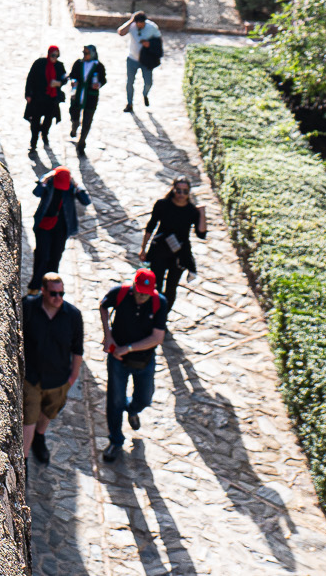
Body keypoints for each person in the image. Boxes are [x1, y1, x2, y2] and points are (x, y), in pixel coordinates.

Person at [99, 268, 168, 462]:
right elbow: (103, 306)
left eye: (145, 294)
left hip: (143, 361)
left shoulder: (159, 303)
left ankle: (133, 410)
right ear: (134, 287)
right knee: (114, 401)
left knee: (145, 398)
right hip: (118, 361)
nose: (140, 297)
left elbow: (157, 337)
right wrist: (108, 335)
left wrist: (128, 348)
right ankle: (115, 441)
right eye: (138, 292)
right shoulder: (120, 293)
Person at [20, 273, 84, 466]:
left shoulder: (73, 316)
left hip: (58, 379)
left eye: (61, 293)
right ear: (43, 291)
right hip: (32, 377)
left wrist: (72, 378)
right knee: (28, 419)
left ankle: (39, 438)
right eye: (54, 293)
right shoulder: (29, 307)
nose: (58, 298)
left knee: (48, 413)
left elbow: (77, 350)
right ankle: (24, 462)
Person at [142, 176, 208, 309]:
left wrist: (202, 214)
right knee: (156, 284)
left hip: (180, 254)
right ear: (173, 190)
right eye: (178, 190)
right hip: (160, 249)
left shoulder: (191, 211)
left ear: (189, 193)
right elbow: (151, 226)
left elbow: (201, 234)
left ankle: (163, 316)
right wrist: (143, 248)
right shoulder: (162, 205)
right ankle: (153, 311)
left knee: (171, 287)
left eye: (185, 191)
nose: (181, 194)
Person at [27, 166, 91, 290]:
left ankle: (50, 287)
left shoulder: (71, 188)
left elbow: (86, 201)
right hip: (44, 225)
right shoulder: (50, 184)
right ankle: (35, 286)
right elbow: (37, 192)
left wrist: (77, 185)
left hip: (61, 227)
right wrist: (44, 179)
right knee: (42, 256)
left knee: (55, 257)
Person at [116, 11, 163, 111]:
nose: (140, 25)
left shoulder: (152, 27)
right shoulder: (132, 26)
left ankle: (145, 94)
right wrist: (131, 20)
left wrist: (149, 44)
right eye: (138, 23)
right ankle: (129, 103)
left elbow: (158, 42)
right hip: (132, 59)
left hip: (146, 60)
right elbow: (121, 32)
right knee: (130, 82)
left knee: (148, 82)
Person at [23, 45, 66, 149]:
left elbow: (64, 79)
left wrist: (58, 83)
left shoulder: (59, 66)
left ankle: (44, 134)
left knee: (48, 121)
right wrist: (28, 94)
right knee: (35, 122)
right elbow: (30, 78)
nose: (54, 58)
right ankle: (33, 143)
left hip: (51, 100)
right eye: (53, 55)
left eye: (57, 56)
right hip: (38, 99)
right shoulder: (39, 64)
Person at [67, 44, 106, 149]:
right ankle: (74, 127)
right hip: (78, 94)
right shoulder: (78, 63)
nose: (85, 55)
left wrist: (98, 85)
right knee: (74, 114)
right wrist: (73, 81)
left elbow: (103, 80)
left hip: (90, 97)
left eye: (87, 53)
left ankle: (82, 142)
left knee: (87, 120)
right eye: (84, 53)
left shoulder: (98, 66)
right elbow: (72, 75)